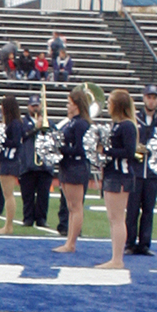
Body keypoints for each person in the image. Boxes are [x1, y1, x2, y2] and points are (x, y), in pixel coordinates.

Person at [95, 89, 137, 269]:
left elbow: (129, 152)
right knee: (113, 218)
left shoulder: (127, 126)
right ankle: (115, 257)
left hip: (121, 175)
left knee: (118, 218)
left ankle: (117, 259)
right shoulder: (118, 125)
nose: (108, 105)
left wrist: (106, 151)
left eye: (110, 102)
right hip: (113, 173)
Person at [125, 84, 157, 255]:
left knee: (149, 209)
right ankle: (129, 243)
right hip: (136, 170)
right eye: (149, 97)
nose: (151, 100)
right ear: (144, 98)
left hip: (152, 172)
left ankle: (144, 244)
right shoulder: (135, 118)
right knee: (132, 209)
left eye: (154, 97)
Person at [54, 87, 92, 253]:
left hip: (76, 167)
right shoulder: (72, 122)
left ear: (76, 105)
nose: (67, 106)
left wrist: (60, 149)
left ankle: (72, 243)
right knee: (70, 207)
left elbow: (80, 149)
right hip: (68, 165)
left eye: (70, 103)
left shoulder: (81, 123)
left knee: (76, 207)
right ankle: (69, 241)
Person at [18, 94, 53, 229]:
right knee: (28, 195)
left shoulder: (48, 121)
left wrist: (44, 126)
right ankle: (28, 218)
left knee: (43, 195)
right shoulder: (23, 122)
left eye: (37, 105)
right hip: (28, 164)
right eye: (33, 106)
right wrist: (36, 128)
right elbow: (23, 136)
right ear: (28, 107)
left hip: (44, 165)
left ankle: (41, 219)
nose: (35, 108)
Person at [0, 93, 24, 234]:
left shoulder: (15, 124)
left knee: (8, 195)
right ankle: (7, 225)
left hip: (10, 161)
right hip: (6, 160)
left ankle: (8, 226)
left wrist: (1, 141)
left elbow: (16, 142)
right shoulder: (12, 123)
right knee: (7, 194)